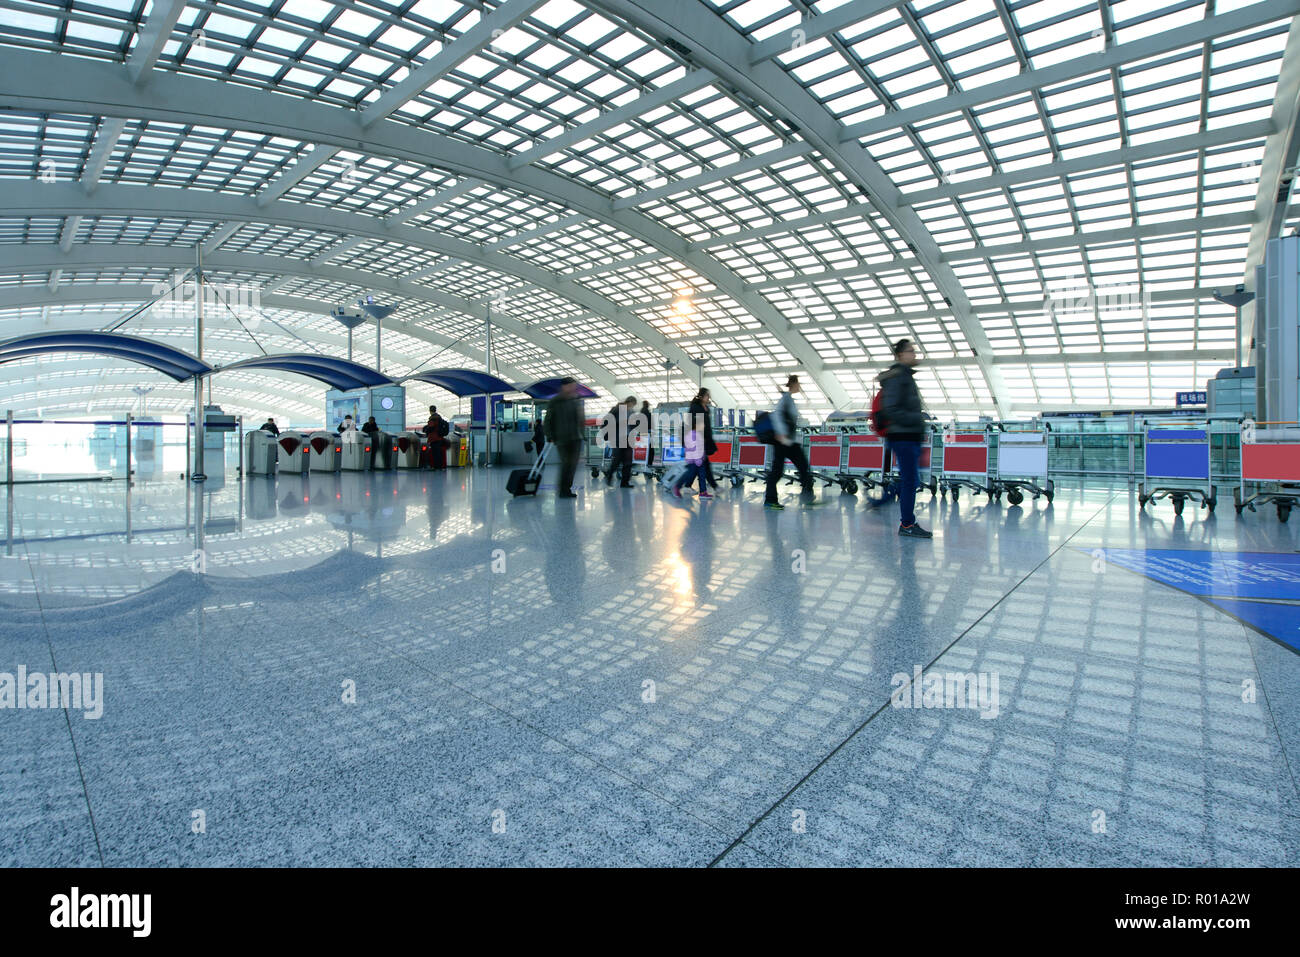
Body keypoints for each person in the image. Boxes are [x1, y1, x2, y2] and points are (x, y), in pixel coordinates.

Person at [878, 338, 932, 538]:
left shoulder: (905, 376)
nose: (914, 354)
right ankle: (907, 524)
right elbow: (891, 409)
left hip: (908, 436)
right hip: (903, 436)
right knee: (911, 481)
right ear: (900, 355)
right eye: (911, 351)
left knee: (911, 480)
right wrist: (915, 419)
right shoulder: (897, 377)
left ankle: (887, 499)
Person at [764, 374, 813, 510]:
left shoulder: (789, 399)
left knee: (803, 466)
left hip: (789, 441)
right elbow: (777, 415)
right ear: (793, 384)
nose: (800, 387)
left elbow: (789, 420)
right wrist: (780, 434)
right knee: (778, 471)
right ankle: (770, 499)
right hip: (783, 441)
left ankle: (808, 494)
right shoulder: (786, 399)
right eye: (798, 384)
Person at [544, 377, 585, 499]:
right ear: (564, 386)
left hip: (576, 437)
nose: (573, 388)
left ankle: (567, 489)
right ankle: (563, 490)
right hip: (562, 437)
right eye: (571, 386)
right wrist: (550, 435)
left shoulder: (576, 400)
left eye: (574, 386)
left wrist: (582, 434)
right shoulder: (555, 401)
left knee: (573, 465)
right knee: (566, 463)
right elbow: (548, 420)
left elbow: (580, 418)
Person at [673, 388, 716, 499]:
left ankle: (697, 490)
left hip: (700, 441)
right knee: (696, 468)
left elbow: (704, 427)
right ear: (701, 396)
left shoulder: (705, 409)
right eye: (707, 395)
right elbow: (694, 425)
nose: (708, 397)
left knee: (698, 468)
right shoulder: (696, 408)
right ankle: (682, 486)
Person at [602, 396, 637, 487]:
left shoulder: (631, 412)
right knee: (617, 460)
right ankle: (609, 475)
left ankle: (625, 482)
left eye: (633, 405)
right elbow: (607, 420)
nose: (632, 406)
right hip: (619, 438)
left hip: (628, 438)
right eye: (632, 404)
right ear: (629, 402)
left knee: (628, 461)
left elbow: (633, 424)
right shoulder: (617, 409)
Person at [639, 400, 655, 473]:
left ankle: (641, 462)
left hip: (642, 432)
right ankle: (649, 463)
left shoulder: (641, 413)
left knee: (643, 448)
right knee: (651, 449)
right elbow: (652, 424)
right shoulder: (648, 413)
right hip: (648, 432)